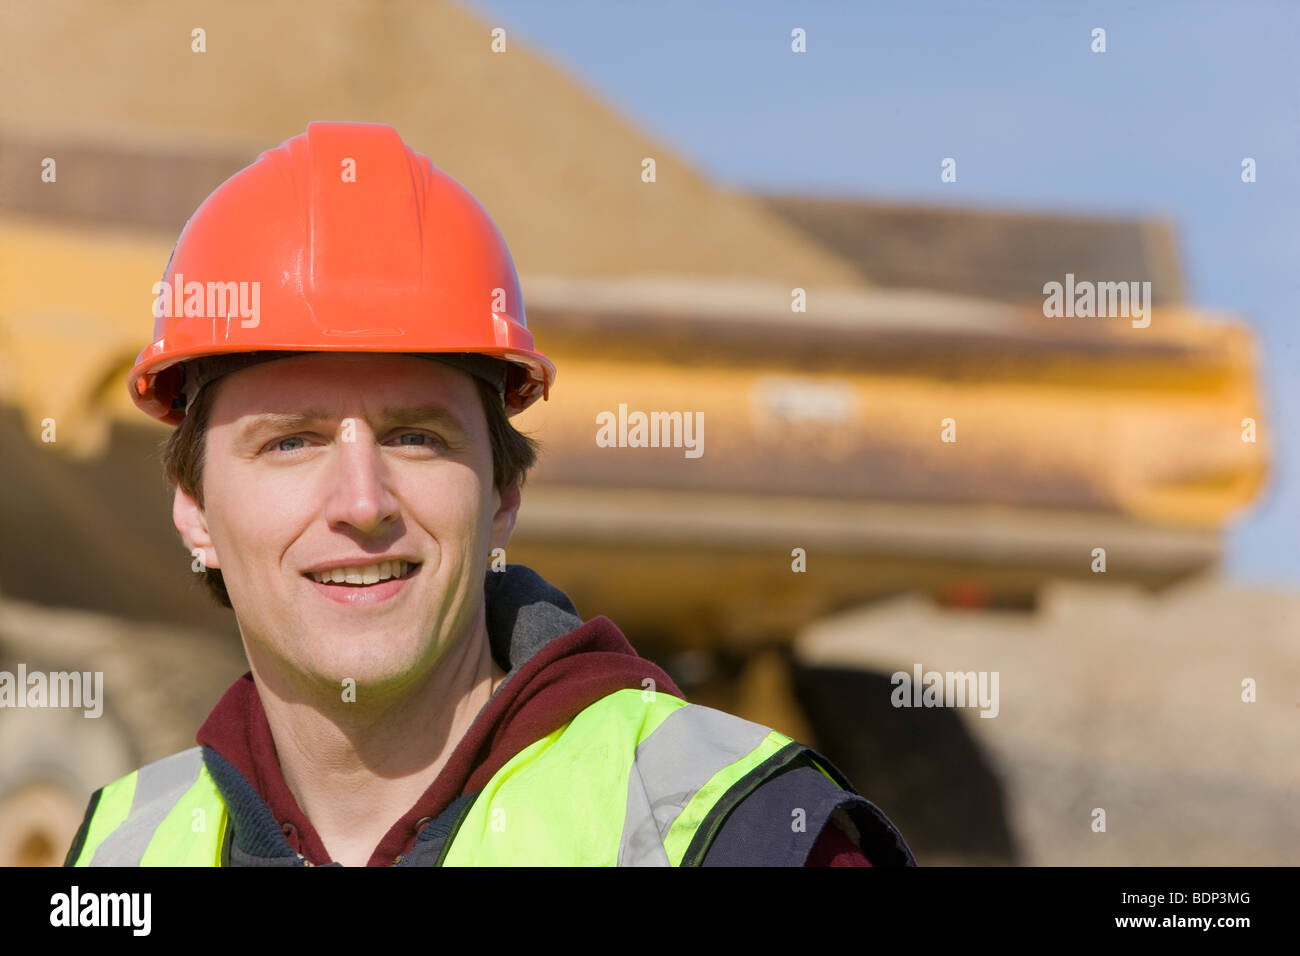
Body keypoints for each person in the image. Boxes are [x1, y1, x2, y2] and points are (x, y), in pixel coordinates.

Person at [63, 121, 915, 867]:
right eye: (292, 441)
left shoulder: (737, 836)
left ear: (502, 495)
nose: (363, 501)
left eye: (415, 438)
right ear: (193, 510)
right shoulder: (121, 848)